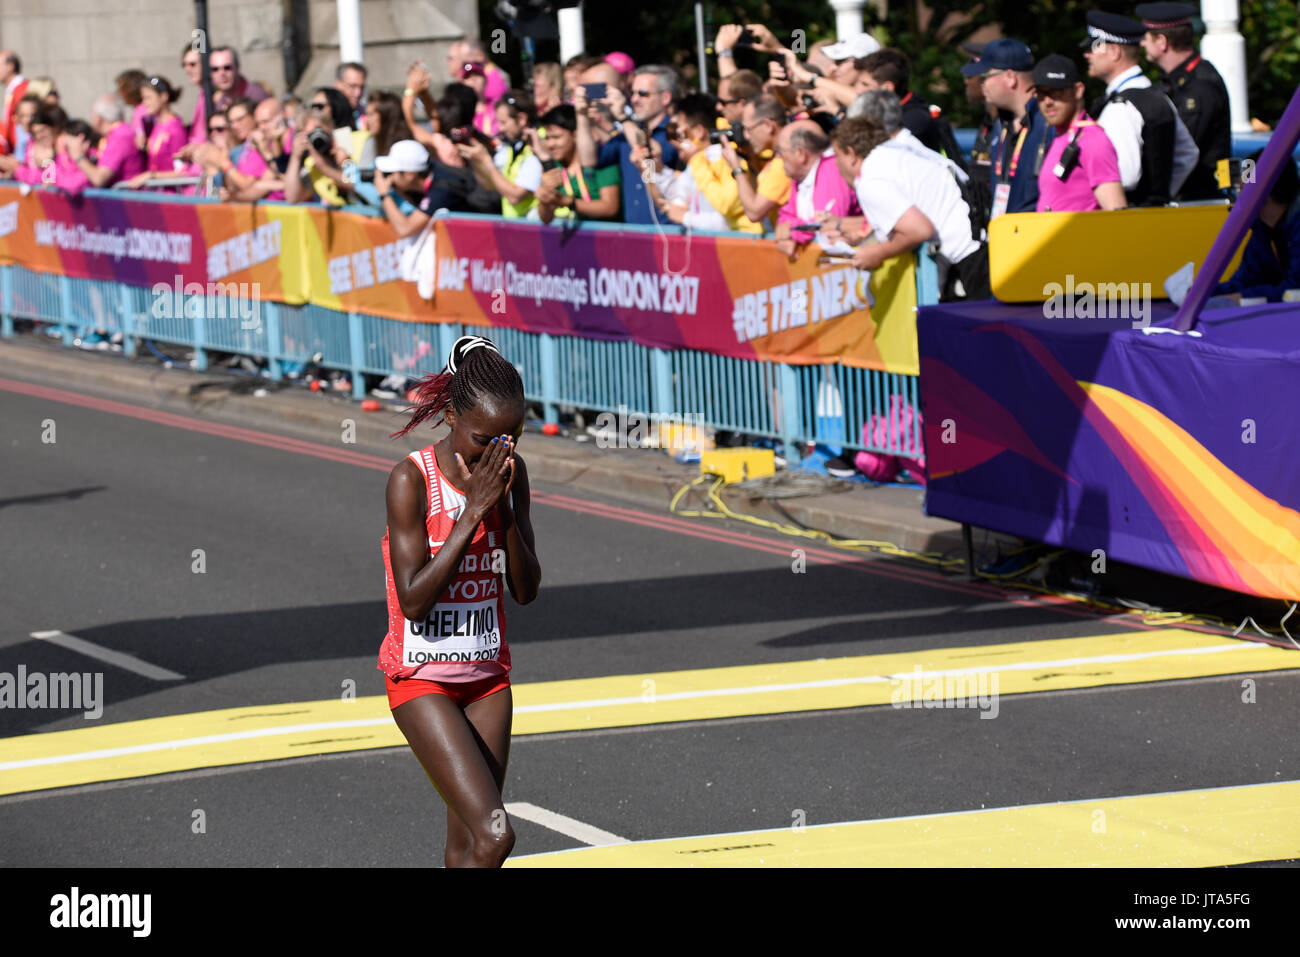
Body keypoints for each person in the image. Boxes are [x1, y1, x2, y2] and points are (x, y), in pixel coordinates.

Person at [380, 335, 539, 870]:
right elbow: (415, 600)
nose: (498, 451)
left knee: (466, 848)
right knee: (497, 838)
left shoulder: (510, 478)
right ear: (450, 414)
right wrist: (472, 512)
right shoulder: (410, 481)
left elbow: (525, 590)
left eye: (512, 438)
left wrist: (506, 512)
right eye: (484, 438)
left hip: (487, 679)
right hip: (422, 679)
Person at [829, 115, 988, 301]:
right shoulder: (898, 151)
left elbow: (919, 230)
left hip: (970, 258)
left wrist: (877, 252)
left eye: (837, 156)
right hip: (983, 242)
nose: (836, 163)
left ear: (851, 154)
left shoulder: (870, 178)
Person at [1081, 10, 1196, 207]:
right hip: (1150, 215)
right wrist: (1162, 195)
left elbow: (1125, 176)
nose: (1087, 54)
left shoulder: (1121, 106)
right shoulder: (1156, 95)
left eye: (1093, 47)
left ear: (1115, 52)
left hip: (1128, 218)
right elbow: (1188, 154)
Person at [1136, 1, 1231, 200]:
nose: (1142, 43)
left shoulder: (1200, 86)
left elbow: (1178, 149)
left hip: (1196, 202)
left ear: (1162, 42)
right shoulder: (1177, 82)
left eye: (1146, 38)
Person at [961, 38, 1046, 219]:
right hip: (1006, 236)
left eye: (985, 77)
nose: (980, 83)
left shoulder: (1047, 124)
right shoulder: (1002, 124)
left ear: (1010, 77)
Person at [1031, 55, 1126, 212]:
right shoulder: (1058, 135)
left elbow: (1117, 214)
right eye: (1041, 94)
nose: (1047, 101)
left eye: (1056, 91)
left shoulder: (1093, 141)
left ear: (1078, 90)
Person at [596, 65, 681, 224]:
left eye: (642, 93)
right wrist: (583, 117)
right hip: (634, 235)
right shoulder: (629, 133)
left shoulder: (676, 132)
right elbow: (592, 159)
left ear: (665, 98)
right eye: (632, 92)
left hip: (670, 233)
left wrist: (622, 117)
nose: (634, 99)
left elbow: (650, 154)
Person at [860, 48, 966, 171]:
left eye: (865, 85)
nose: (859, 91)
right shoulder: (899, 111)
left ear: (887, 88)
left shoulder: (915, 120)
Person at [1214, 155, 1300, 303]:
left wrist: (1244, 297)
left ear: (1264, 192)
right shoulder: (1263, 230)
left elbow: (1294, 288)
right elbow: (1245, 280)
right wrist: (1203, 293)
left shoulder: (1294, 225)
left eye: (1243, 191)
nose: (1239, 197)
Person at [773, 120, 862, 260]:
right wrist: (787, 229)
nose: (777, 156)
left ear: (800, 153)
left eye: (780, 151)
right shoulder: (800, 177)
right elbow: (786, 216)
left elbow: (826, 226)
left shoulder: (832, 170)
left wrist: (792, 231)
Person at [461, 90, 542, 218]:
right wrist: (476, 159)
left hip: (537, 227)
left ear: (521, 119)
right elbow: (490, 185)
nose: (500, 128)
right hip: (517, 224)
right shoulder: (512, 145)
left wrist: (487, 161)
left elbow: (515, 196)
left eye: (504, 122)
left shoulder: (539, 145)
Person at [533, 104, 619, 224]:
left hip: (612, 237)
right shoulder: (555, 167)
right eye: (547, 138)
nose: (550, 144)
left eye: (556, 137)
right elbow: (546, 219)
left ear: (575, 134)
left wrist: (568, 202)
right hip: (580, 240)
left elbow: (610, 207)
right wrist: (544, 198)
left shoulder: (601, 158)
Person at [718, 94, 791, 229]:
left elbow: (754, 212)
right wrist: (749, 157)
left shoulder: (783, 164)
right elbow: (758, 193)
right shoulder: (778, 158)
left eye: (748, 129)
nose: (746, 136)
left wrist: (737, 168)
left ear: (768, 125)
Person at [120, 76, 188, 189]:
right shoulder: (156, 126)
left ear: (163, 97)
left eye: (149, 98)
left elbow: (182, 172)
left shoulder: (175, 128)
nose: (145, 103)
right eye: (143, 98)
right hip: (157, 195)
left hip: (171, 198)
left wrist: (150, 176)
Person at [69, 95, 145, 188]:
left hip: (128, 198)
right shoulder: (117, 133)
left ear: (99, 118)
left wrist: (78, 155)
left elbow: (99, 179)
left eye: (92, 114)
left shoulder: (120, 136)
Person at [373, 139, 433, 235]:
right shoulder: (432, 183)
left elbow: (404, 229)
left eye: (391, 172)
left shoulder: (438, 191)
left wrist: (384, 194)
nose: (389, 177)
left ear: (410, 174)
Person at [209, 46, 270, 113]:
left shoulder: (256, 96)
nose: (222, 73)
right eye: (215, 69)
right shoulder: (219, 103)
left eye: (227, 67)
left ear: (237, 66)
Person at [0, 50, 28, 156]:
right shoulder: (13, 89)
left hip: (22, 153)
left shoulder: (22, 90)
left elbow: (23, 126)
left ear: (10, 66)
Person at [336, 61, 367, 127]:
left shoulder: (368, 116)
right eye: (353, 86)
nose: (358, 93)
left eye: (362, 87)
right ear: (338, 84)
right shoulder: (325, 116)